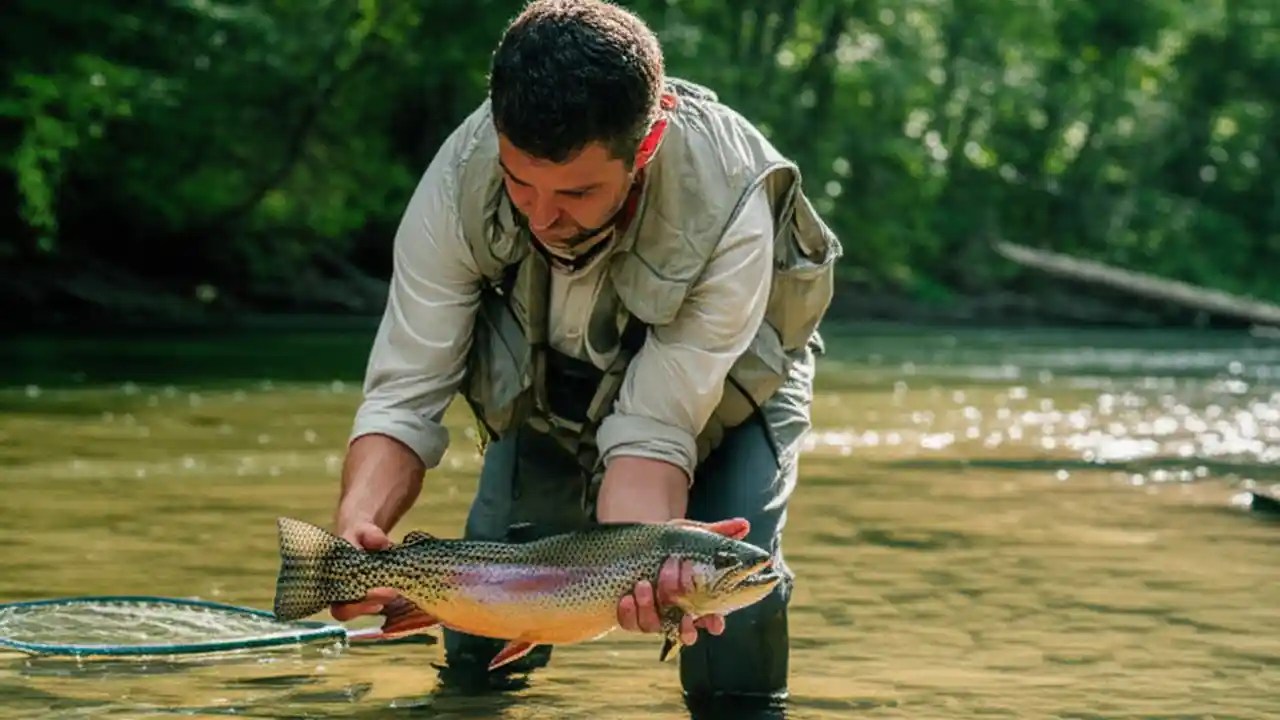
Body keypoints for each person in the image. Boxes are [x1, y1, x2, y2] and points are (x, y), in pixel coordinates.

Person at [326, 0, 840, 708]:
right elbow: (404, 396)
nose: (541, 217)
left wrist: (647, 564)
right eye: (519, 183)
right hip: (551, 374)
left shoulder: (730, 205)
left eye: (576, 191)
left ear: (648, 144)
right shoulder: (456, 182)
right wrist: (358, 529)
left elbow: (653, 433)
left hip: (726, 386)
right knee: (479, 634)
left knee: (726, 616)